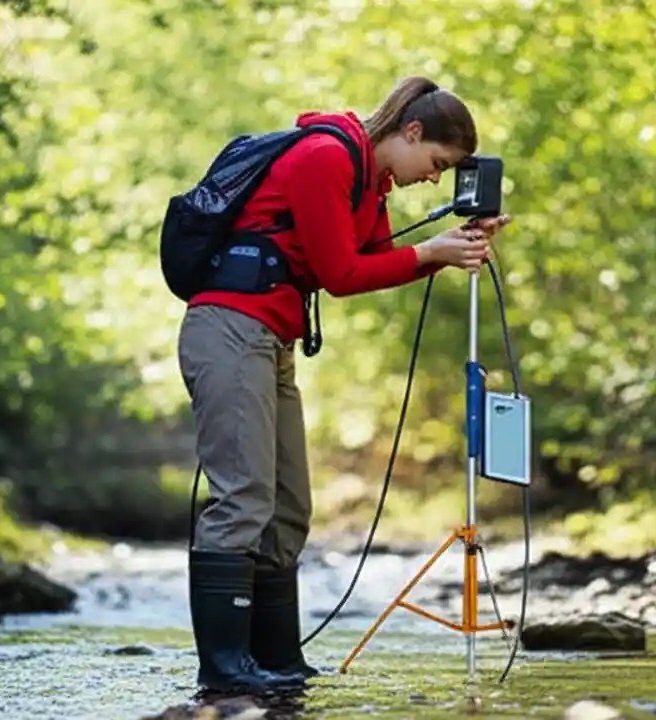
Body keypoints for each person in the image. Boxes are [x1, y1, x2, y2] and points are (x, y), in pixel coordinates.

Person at [176, 76, 511, 693]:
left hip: (268, 339)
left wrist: (454, 247)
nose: (435, 179)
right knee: (244, 496)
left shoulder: (369, 181)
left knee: (289, 507)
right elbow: (339, 274)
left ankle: (275, 662)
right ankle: (224, 670)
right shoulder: (326, 157)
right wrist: (431, 253)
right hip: (227, 330)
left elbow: (375, 263)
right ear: (411, 132)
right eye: (437, 164)